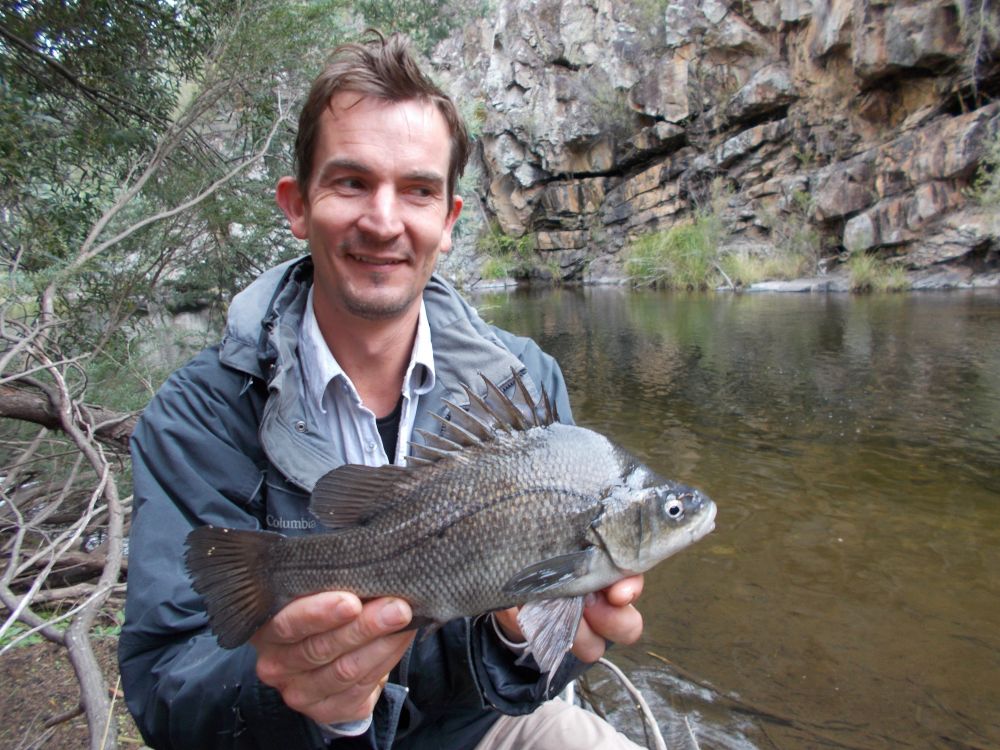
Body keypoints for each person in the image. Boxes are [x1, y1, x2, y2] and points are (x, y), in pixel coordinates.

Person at [119, 32, 645, 750]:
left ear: (449, 222)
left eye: (418, 191)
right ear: (298, 206)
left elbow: (545, 660)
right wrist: (289, 690)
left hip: (477, 729)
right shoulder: (194, 417)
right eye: (351, 182)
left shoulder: (526, 382)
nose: (385, 220)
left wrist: (520, 647)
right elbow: (165, 691)